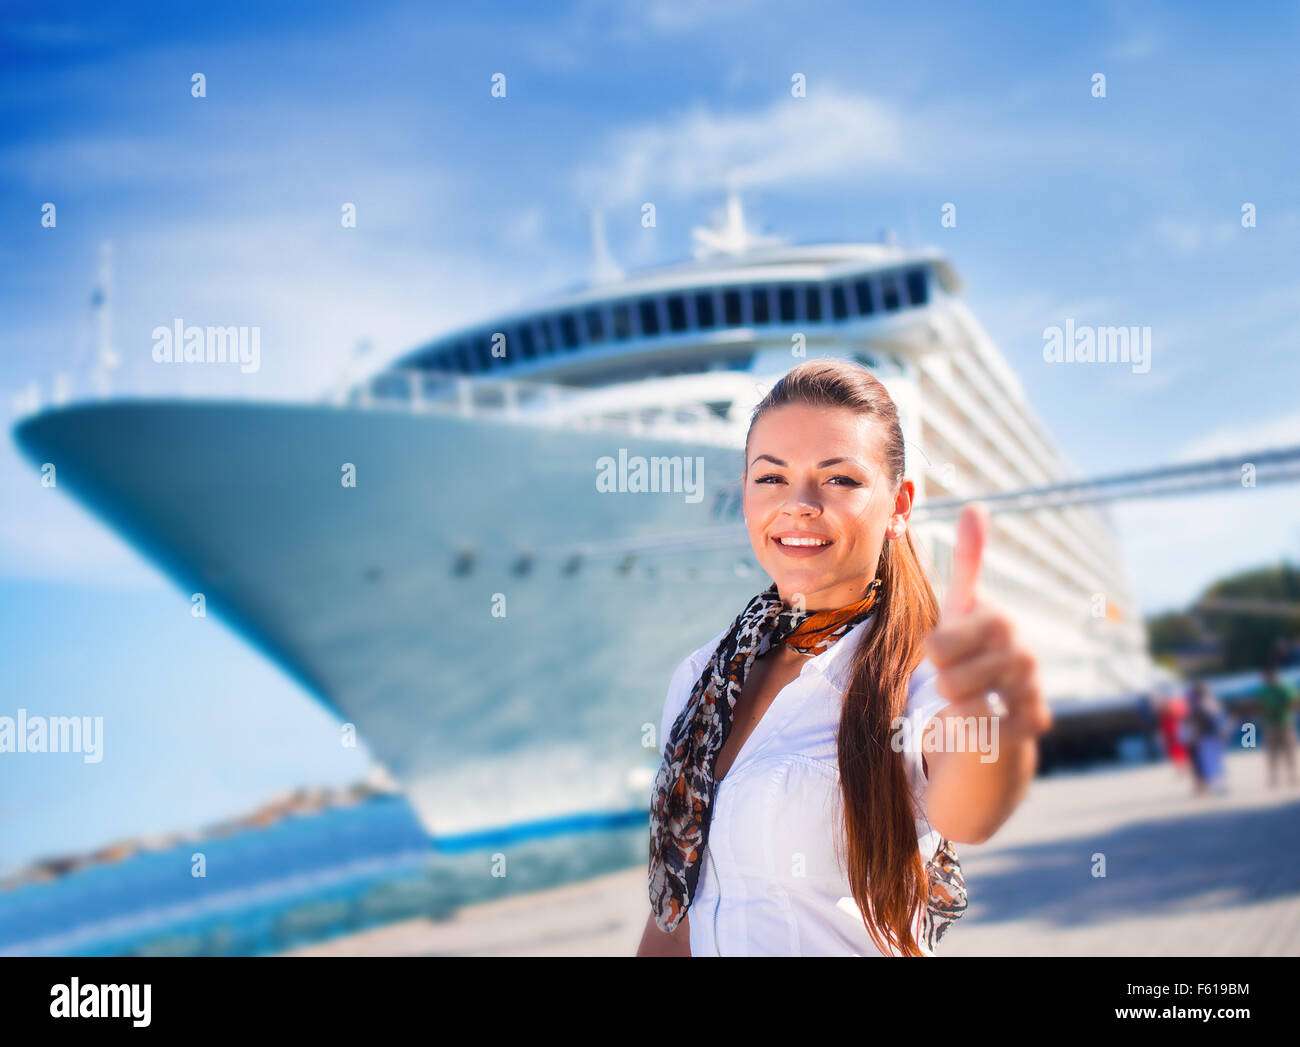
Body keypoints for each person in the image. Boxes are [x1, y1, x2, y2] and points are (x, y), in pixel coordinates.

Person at [637, 358, 1050, 957]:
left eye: (840, 479)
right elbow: (681, 910)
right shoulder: (701, 677)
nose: (799, 503)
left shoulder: (922, 664)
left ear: (900, 506)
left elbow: (969, 814)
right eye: (771, 478)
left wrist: (991, 715)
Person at [1257, 664, 1298, 788]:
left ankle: (1292, 776)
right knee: (1271, 752)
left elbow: (1294, 702)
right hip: (1270, 724)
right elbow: (1262, 705)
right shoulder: (1265, 689)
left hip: (1284, 722)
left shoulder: (1284, 687)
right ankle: (1274, 778)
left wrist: (1281, 709)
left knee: (1288, 751)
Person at [1186, 681, 1228, 796]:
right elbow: (1221, 721)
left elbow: (1195, 724)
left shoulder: (1197, 706)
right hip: (1213, 736)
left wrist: (1195, 737)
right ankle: (1220, 785)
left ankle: (1215, 786)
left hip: (1205, 738)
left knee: (1209, 763)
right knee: (1216, 762)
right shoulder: (1212, 703)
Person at [1156, 688, 1191, 773]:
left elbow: (1180, 716)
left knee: (1179, 749)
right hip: (1169, 730)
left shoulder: (1171, 706)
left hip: (1173, 729)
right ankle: (1181, 768)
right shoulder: (1164, 709)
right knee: (1175, 750)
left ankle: (1183, 767)